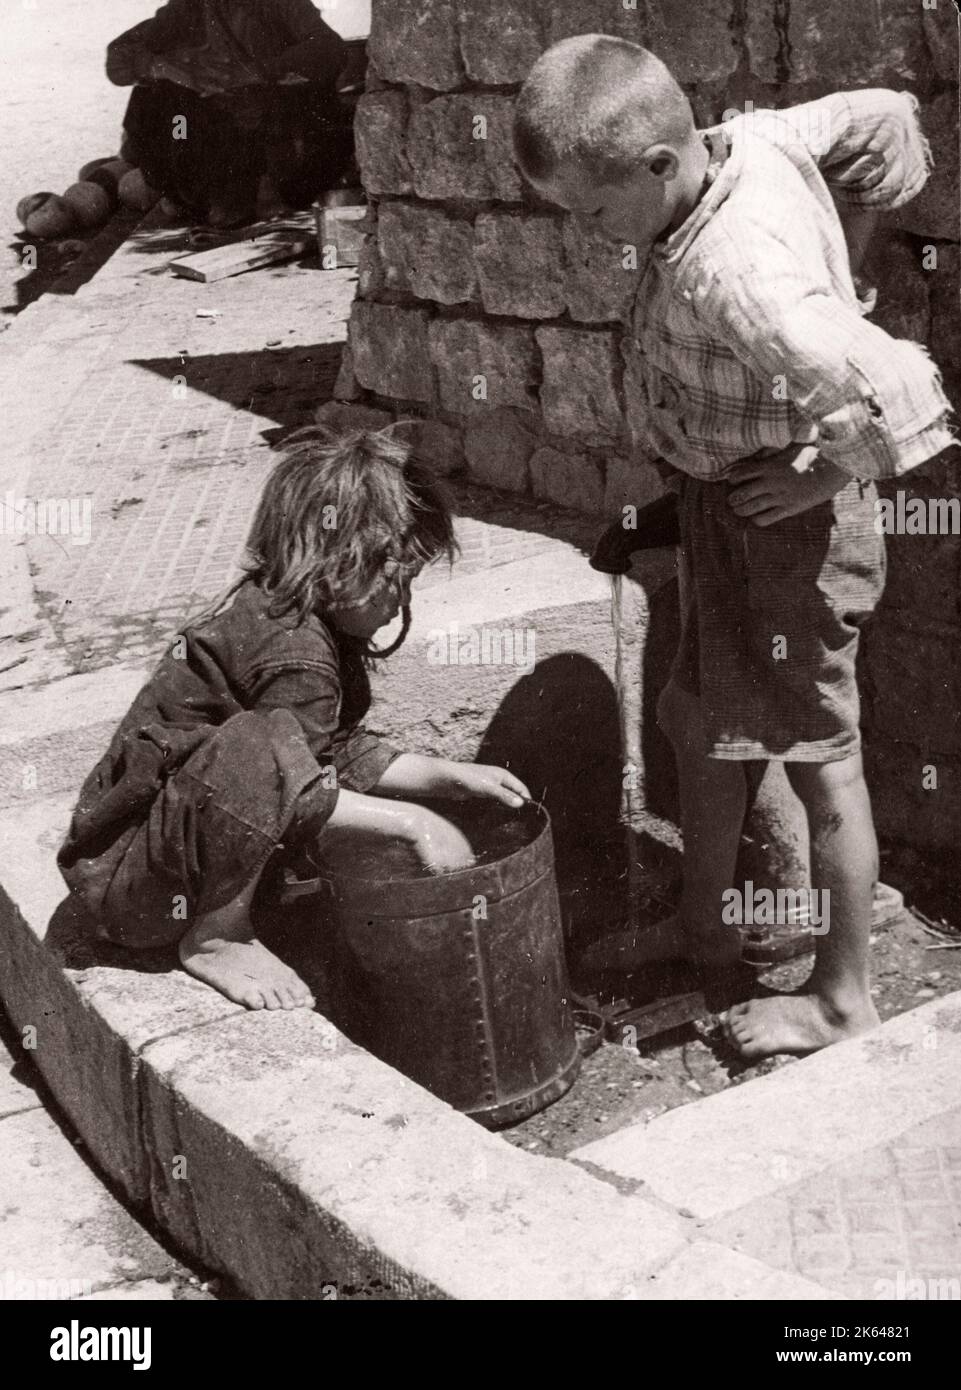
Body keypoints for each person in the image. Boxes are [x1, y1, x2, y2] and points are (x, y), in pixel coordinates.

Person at [513, 36, 956, 1059]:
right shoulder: (748, 139)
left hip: (789, 535)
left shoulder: (735, 273)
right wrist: (854, 230)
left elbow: (904, 392)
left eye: (591, 210)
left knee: (816, 759)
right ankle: (710, 921)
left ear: (660, 165)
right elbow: (880, 115)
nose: (588, 236)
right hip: (723, 509)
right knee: (690, 712)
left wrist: (819, 471)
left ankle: (843, 995)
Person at [57, 427, 531, 1012]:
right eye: (398, 579)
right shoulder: (293, 652)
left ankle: (241, 914)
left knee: (277, 757)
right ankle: (216, 937)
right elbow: (293, 781)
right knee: (262, 746)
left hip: (142, 868)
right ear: (338, 563)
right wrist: (414, 824)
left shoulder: (293, 610)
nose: (402, 602)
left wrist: (451, 776)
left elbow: (330, 755)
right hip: (132, 894)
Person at [107, 0, 354, 226]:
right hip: (202, 129)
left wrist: (259, 72)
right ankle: (187, 195)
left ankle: (259, 195)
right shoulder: (186, 9)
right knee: (160, 107)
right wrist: (165, 67)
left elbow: (330, 48)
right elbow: (118, 60)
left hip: (272, 124)